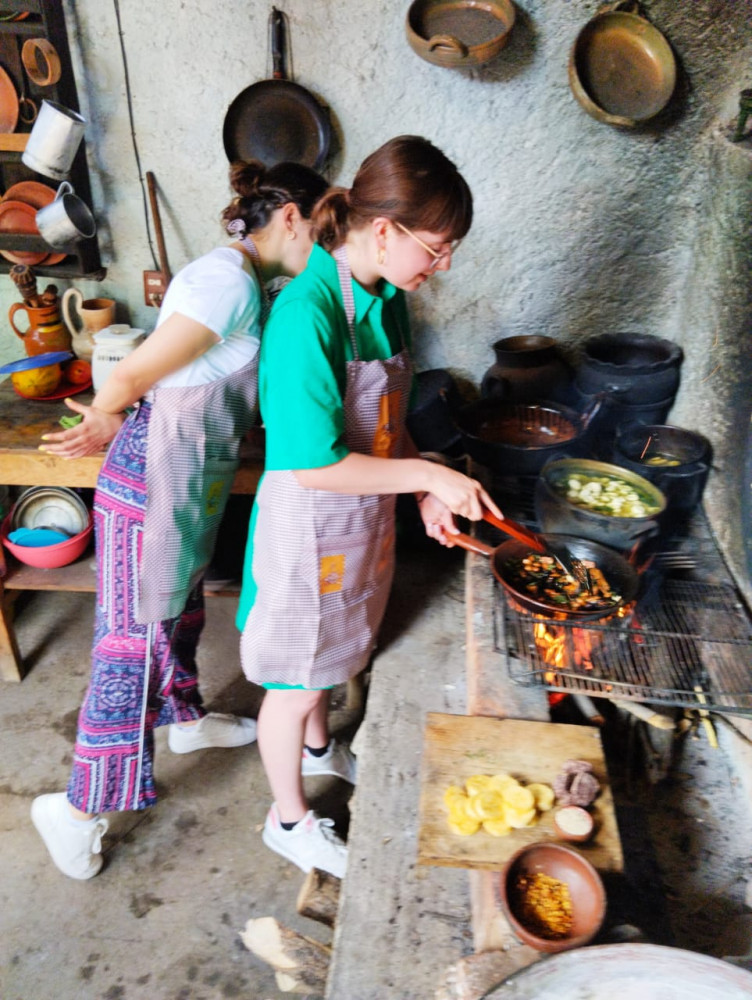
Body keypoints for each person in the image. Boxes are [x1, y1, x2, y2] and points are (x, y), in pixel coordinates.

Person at [30, 160, 329, 880]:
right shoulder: (225, 281)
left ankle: (185, 722)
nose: (323, 244)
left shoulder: (245, 279)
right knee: (133, 642)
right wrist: (107, 411)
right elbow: (135, 370)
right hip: (155, 477)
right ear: (290, 216)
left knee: (179, 610)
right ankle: (74, 810)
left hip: (191, 476)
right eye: (321, 227)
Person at [236, 135, 502, 878]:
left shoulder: (384, 299)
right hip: (308, 521)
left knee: (332, 652)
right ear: (384, 231)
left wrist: (423, 483)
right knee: (294, 680)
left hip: (360, 517)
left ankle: (324, 750)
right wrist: (426, 473)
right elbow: (315, 465)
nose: (441, 265)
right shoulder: (306, 316)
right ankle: (287, 818)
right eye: (438, 248)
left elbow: (390, 415)